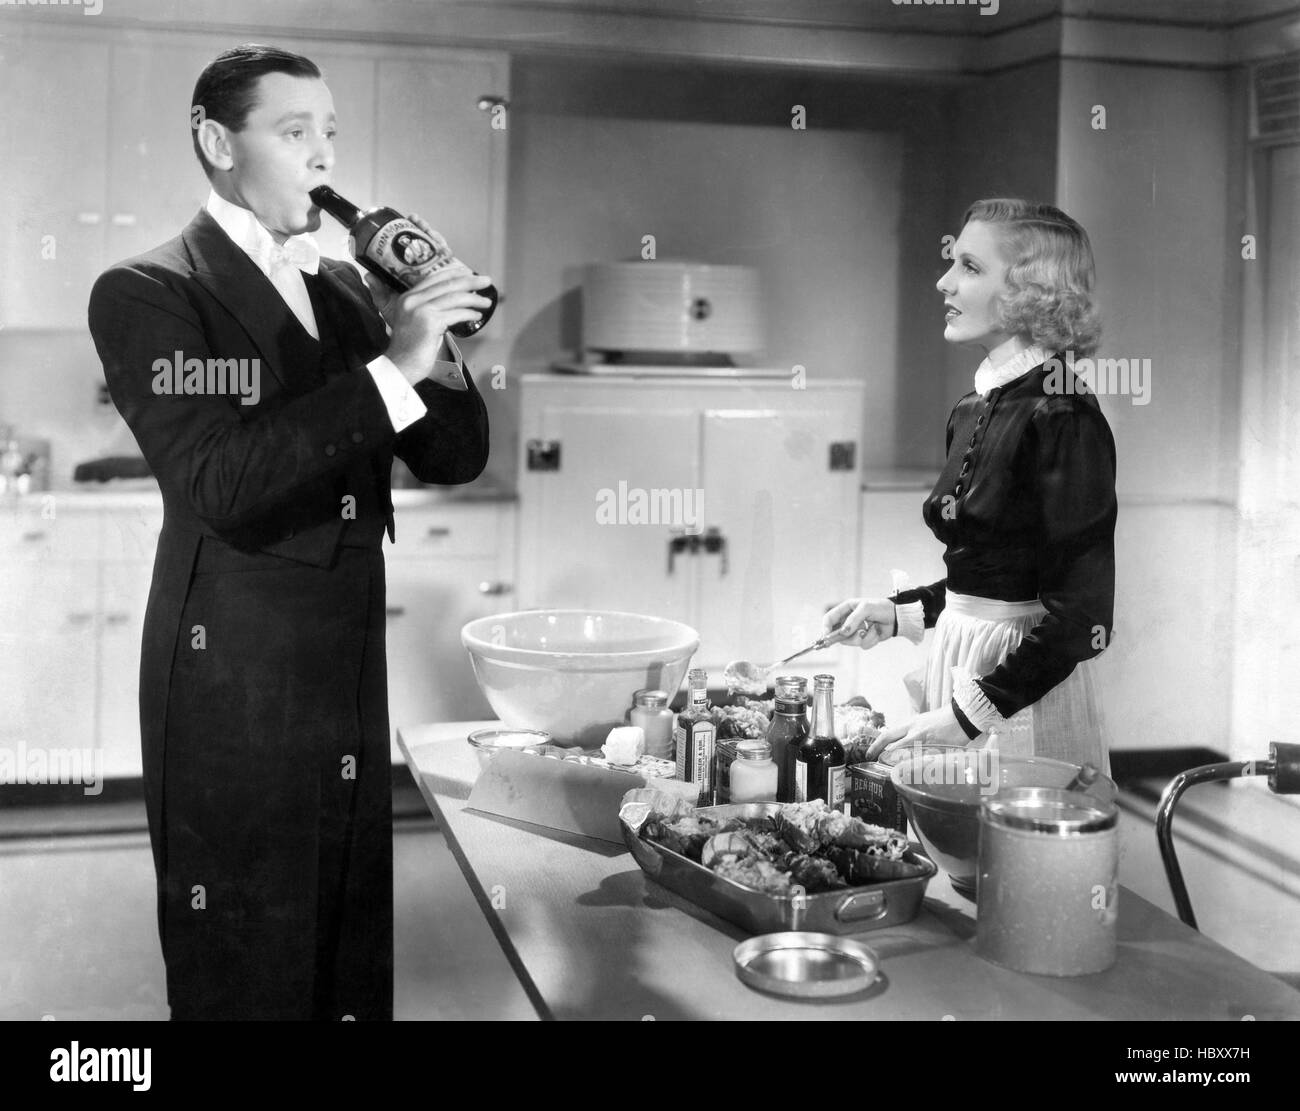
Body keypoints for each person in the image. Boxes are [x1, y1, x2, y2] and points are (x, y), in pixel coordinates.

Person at [86, 43, 494, 1020]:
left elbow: (452, 457)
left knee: (347, 941)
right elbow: (224, 481)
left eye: (332, 134)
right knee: (248, 949)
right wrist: (394, 359)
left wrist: (428, 350)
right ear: (218, 143)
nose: (323, 155)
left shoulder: (347, 292)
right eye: (295, 130)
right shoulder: (149, 291)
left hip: (345, 662)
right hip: (230, 673)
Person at [824, 198, 1116, 773]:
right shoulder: (971, 407)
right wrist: (900, 614)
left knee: (1009, 858)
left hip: (1018, 690)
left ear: (1032, 292)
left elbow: (1084, 618)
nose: (943, 281)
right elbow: (994, 573)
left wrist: (967, 716)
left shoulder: (1063, 415)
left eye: (970, 267)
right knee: (949, 856)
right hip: (960, 664)